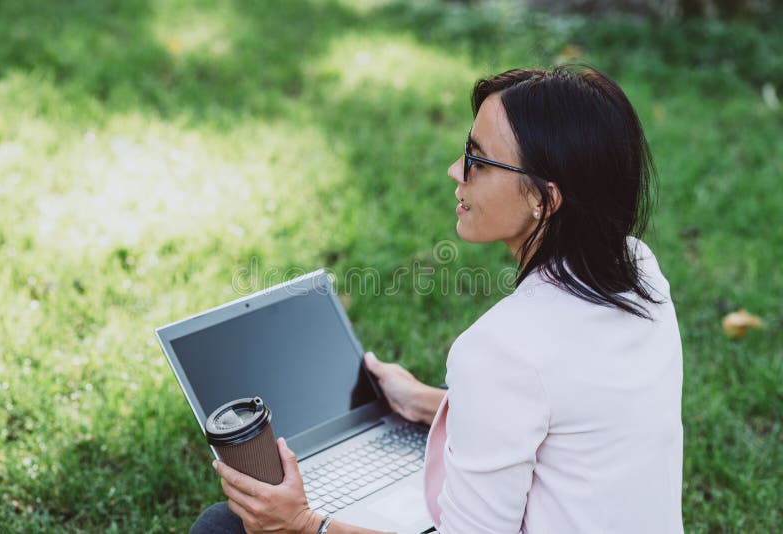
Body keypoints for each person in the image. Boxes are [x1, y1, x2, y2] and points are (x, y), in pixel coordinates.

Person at [190, 65, 684, 533]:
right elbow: (571, 413)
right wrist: (429, 404)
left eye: (477, 160)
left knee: (224, 526)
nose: (455, 171)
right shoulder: (638, 269)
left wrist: (303, 524)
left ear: (544, 200)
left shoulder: (503, 350)